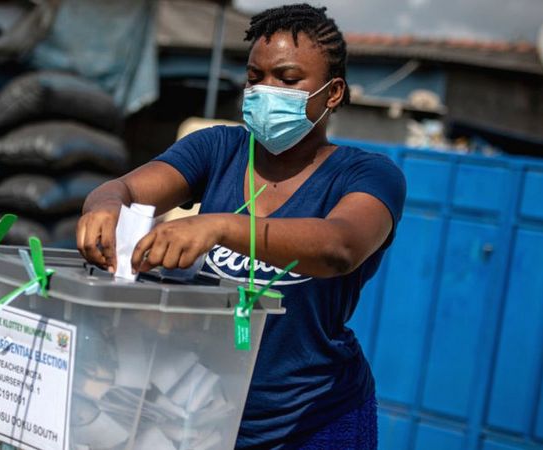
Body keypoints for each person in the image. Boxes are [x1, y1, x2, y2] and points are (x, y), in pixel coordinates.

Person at [76, 4, 406, 449]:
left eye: (287, 79)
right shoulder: (218, 149)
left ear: (332, 93)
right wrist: (104, 205)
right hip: (201, 412)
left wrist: (222, 228)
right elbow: (126, 190)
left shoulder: (366, 174)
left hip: (313, 420)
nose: (266, 90)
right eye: (255, 77)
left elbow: (339, 248)